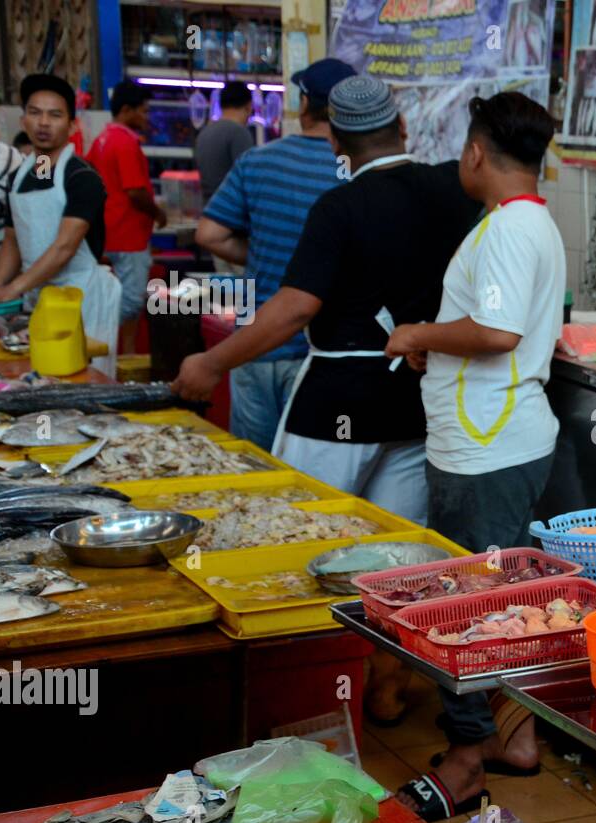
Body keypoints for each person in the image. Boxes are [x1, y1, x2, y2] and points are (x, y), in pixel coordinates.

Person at [172, 73, 480, 519]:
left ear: (335, 142)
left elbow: (296, 307)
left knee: (299, 529)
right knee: (393, 552)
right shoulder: (454, 189)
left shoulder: (338, 208)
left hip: (338, 403)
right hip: (416, 403)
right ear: (404, 127)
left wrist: (212, 362)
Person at [384, 91, 564, 822]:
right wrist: (440, 350)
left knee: (462, 615)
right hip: (496, 440)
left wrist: (418, 335)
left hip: (484, 451)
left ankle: (464, 763)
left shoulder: (508, 231)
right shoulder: (523, 221)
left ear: (477, 152)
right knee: (499, 607)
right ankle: (513, 741)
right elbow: (495, 327)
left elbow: (496, 331)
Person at [194, 58, 356, 451]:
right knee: (310, 479)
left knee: (253, 467)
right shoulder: (353, 170)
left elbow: (208, 233)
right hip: (321, 353)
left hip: (254, 342)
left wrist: (262, 249)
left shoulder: (258, 161)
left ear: (303, 104)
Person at [0, 75, 119, 375]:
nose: (43, 123)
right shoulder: (19, 178)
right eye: (35, 113)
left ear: (72, 125)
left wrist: (13, 288)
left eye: (55, 115)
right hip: (43, 298)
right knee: (40, 380)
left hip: (84, 299)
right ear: (23, 120)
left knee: (82, 386)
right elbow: (12, 240)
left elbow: (64, 248)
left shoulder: (82, 177)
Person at [86, 79, 165, 356]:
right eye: (143, 111)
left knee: (124, 301)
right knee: (131, 301)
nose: (146, 117)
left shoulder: (102, 140)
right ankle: (91, 338)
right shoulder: (125, 143)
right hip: (128, 236)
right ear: (127, 110)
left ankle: (127, 358)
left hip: (109, 233)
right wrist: (158, 213)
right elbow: (135, 191)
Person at [194, 80, 254, 206]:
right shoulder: (239, 133)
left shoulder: (204, 133)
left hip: (209, 210)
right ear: (248, 106)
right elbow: (248, 180)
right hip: (231, 213)